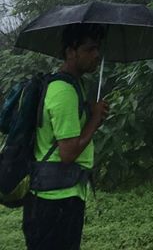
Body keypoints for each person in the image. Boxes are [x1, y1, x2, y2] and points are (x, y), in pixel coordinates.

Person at [22, 23, 110, 250]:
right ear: (71, 52)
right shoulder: (64, 92)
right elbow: (68, 152)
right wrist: (94, 120)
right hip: (55, 202)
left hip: (55, 196)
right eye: (89, 49)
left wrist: (89, 113)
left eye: (97, 49)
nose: (96, 55)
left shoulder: (72, 85)